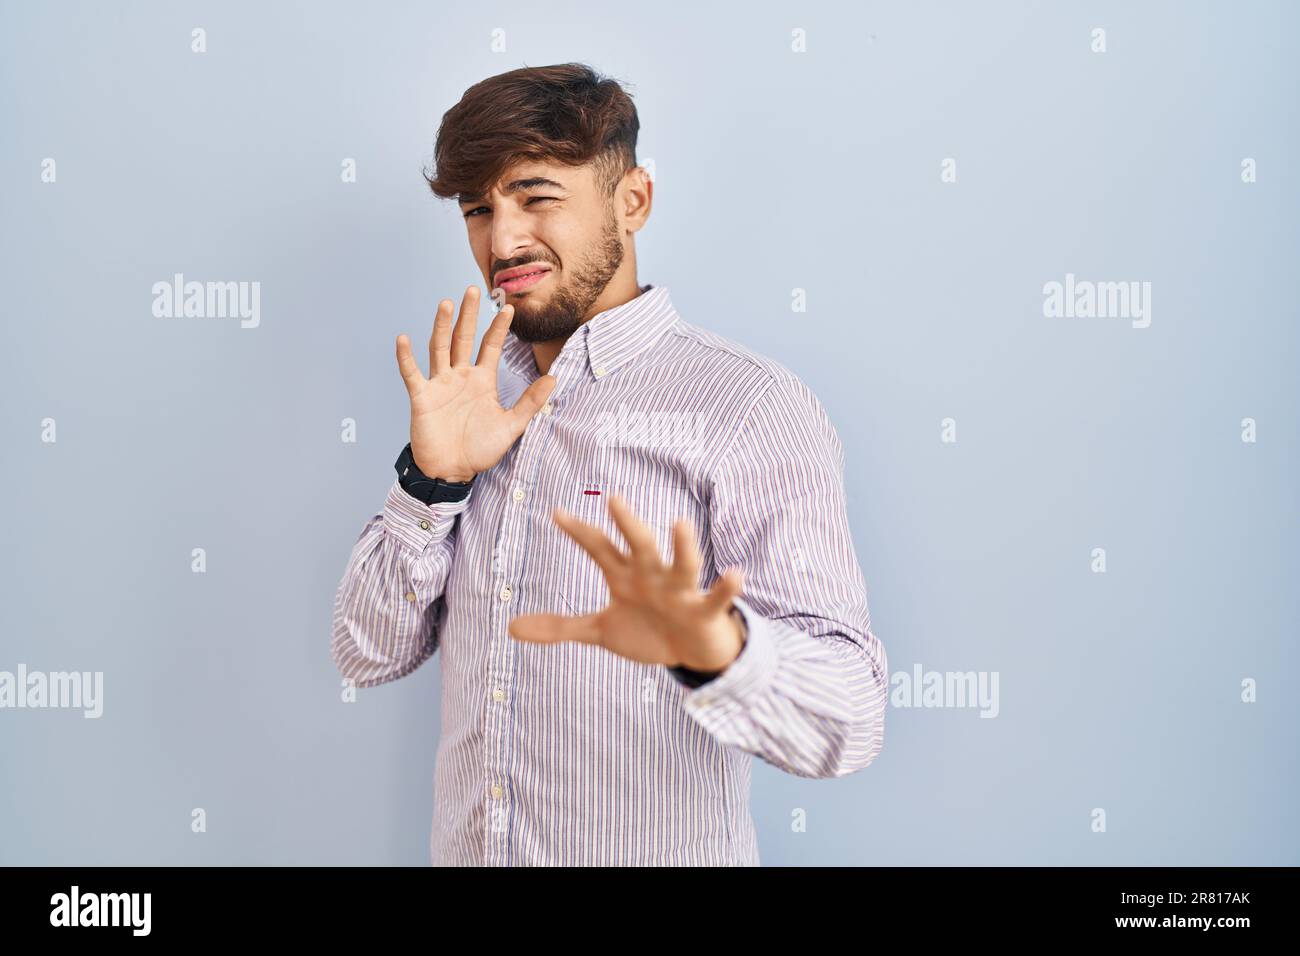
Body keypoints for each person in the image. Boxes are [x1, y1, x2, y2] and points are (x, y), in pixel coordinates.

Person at [331, 62, 888, 866]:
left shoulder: (746, 407)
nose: (503, 240)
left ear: (633, 201)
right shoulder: (474, 401)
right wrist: (432, 481)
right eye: (478, 209)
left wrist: (718, 648)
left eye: (537, 196)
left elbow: (853, 722)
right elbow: (364, 652)